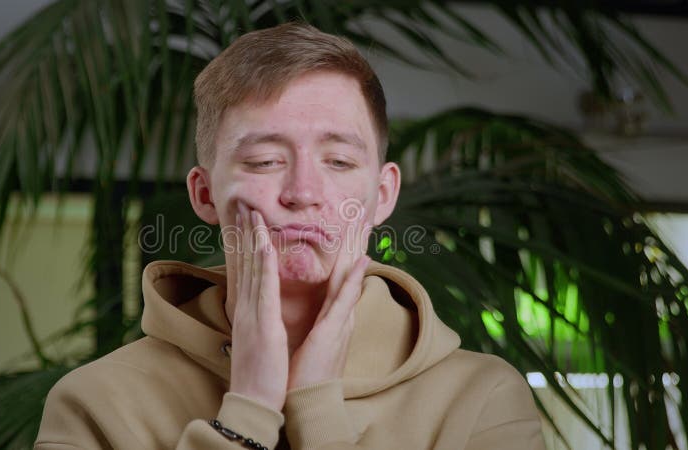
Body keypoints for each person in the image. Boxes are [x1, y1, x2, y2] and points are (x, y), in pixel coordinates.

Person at [34, 22, 545, 450]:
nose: (303, 192)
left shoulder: (482, 399)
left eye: (340, 161)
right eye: (264, 161)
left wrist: (316, 408)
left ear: (383, 195)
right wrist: (249, 409)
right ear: (205, 195)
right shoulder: (93, 403)